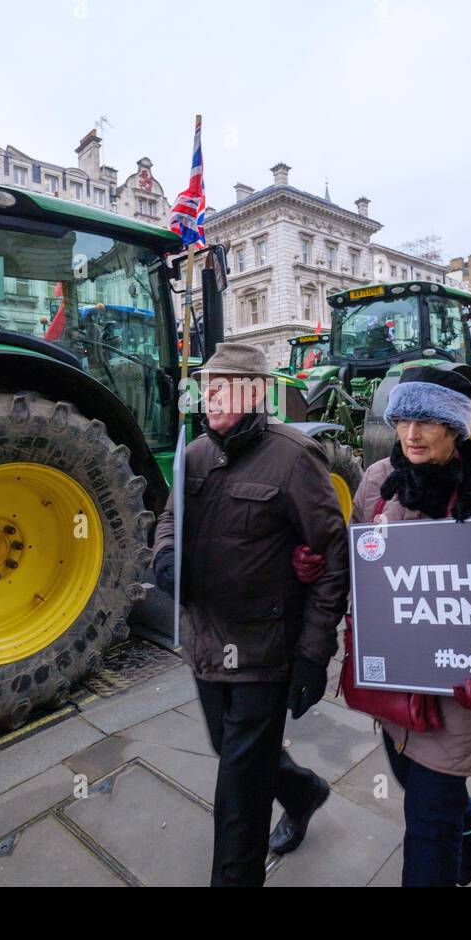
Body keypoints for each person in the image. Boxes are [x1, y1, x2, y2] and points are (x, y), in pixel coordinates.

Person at [150, 342, 349, 886]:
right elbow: (170, 518)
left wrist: (313, 653)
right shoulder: (193, 454)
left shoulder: (294, 456)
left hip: (265, 652)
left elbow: (333, 558)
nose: (208, 396)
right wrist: (164, 557)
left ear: (255, 393)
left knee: (238, 794)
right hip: (204, 643)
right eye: (205, 385)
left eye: (222, 386)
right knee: (231, 748)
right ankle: (303, 791)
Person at [350, 365, 471, 887]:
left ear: (456, 427)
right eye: (403, 420)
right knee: (412, 781)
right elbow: (364, 563)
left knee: (427, 826)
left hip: (460, 690)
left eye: (426, 422)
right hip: (397, 685)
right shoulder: (379, 479)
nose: (410, 435)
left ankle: (454, 830)